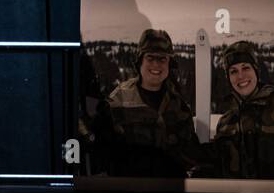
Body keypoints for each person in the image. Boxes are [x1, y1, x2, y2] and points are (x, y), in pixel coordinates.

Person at [100, 29, 203, 177]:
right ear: (140, 61)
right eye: (150, 58)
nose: (156, 64)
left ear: (169, 64)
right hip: (129, 192)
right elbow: (103, 153)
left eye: (162, 59)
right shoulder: (118, 100)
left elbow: (190, 154)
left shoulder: (178, 106)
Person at [209, 41, 274, 179]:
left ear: (256, 70)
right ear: (228, 78)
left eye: (246, 68)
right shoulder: (225, 123)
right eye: (233, 71)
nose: (240, 76)